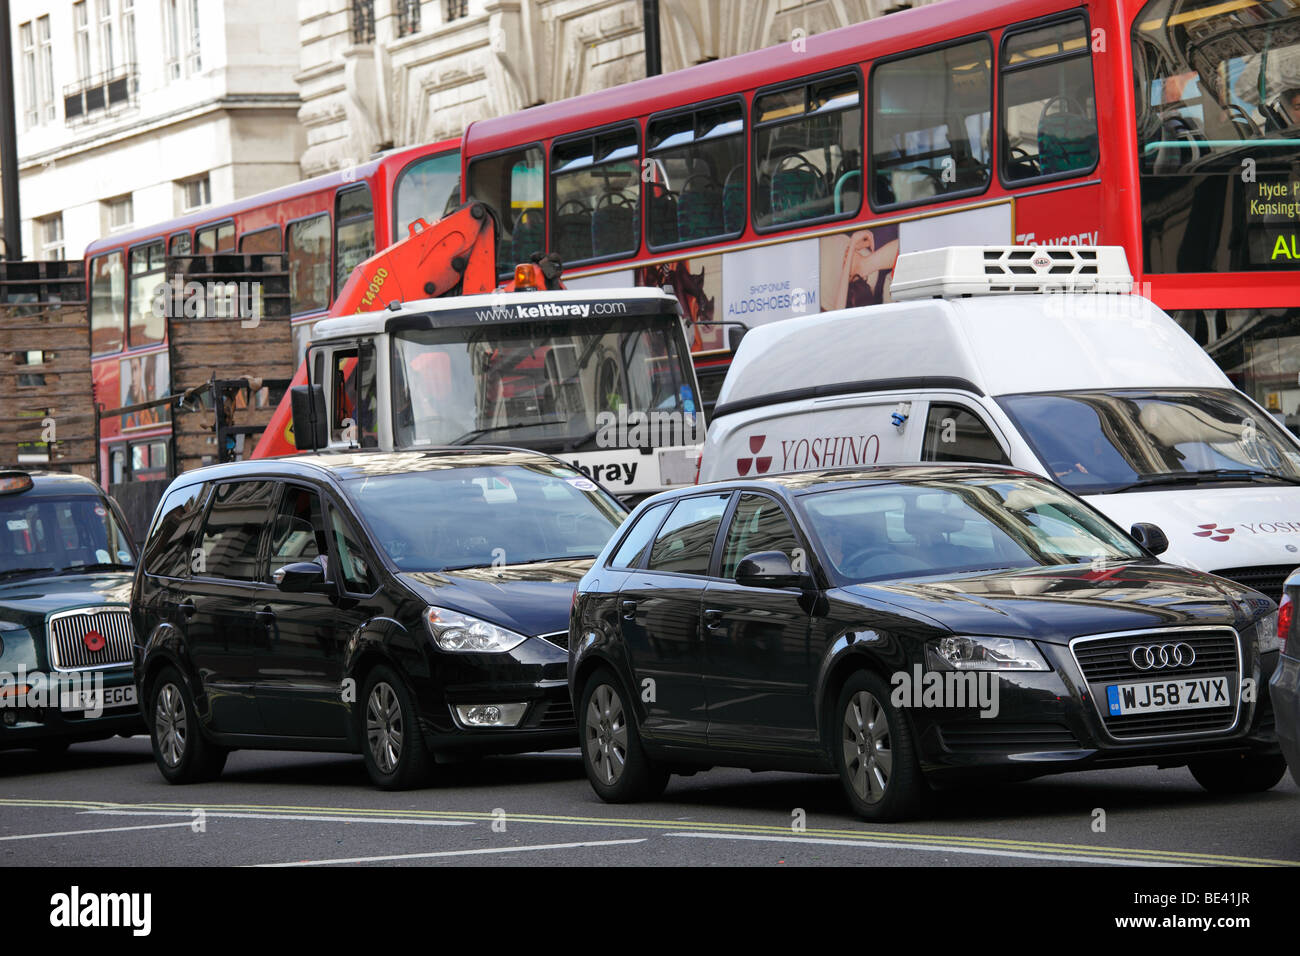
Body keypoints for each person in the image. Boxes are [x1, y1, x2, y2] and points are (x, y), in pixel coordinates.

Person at [831, 228, 900, 310]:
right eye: (845, 264)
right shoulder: (887, 289)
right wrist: (853, 244)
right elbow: (839, 310)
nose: (847, 255)